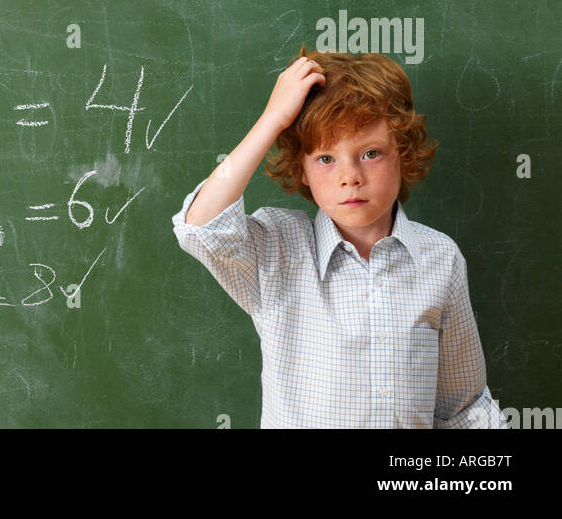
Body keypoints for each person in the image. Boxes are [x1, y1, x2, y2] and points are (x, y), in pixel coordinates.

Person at [171, 46, 508, 429]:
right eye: (326, 159)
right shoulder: (279, 248)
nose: (351, 176)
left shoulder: (440, 258)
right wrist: (273, 119)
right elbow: (201, 229)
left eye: (370, 153)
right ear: (302, 170)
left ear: (403, 154)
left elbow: (463, 408)